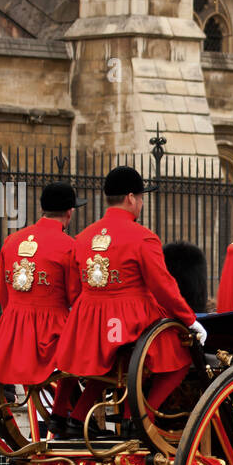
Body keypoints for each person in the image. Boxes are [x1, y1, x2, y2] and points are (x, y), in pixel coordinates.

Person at [55, 166, 208, 432]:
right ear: (130, 198)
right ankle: (136, 416)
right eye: (140, 197)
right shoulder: (142, 237)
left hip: (88, 319)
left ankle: (77, 418)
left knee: (107, 365)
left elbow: (74, 288)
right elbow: (163, 287)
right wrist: (190, 319)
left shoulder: (82, 238)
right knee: (181, 357)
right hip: (130, 317)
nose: (141, 203)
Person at [0, 181, 84, 435]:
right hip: (53, 331)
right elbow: (75, 296)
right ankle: (71, 414)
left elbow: (3, 292)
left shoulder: (12, 241)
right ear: (69, 212)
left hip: (11, 328)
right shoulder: (69, 245)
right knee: (85, 347)